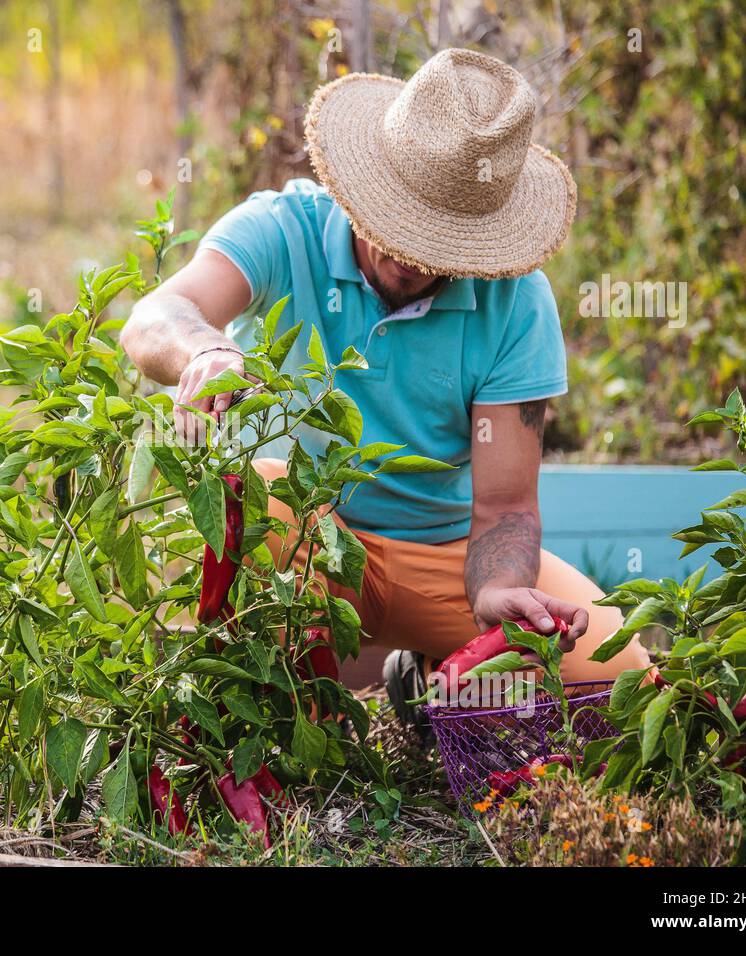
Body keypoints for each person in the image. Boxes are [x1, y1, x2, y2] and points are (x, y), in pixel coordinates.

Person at [120, 49, 650, 725]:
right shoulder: (284, 230)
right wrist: (206, 349)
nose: (406, 255)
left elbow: (506, 509)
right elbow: (153, 317)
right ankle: (301, 718)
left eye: (438, 241)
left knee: (615, 684)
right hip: (311, 540)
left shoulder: (516, 303)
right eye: (395, 222)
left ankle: (423, 678)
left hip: (447, 553)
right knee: (261, 502)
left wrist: (496, 595)